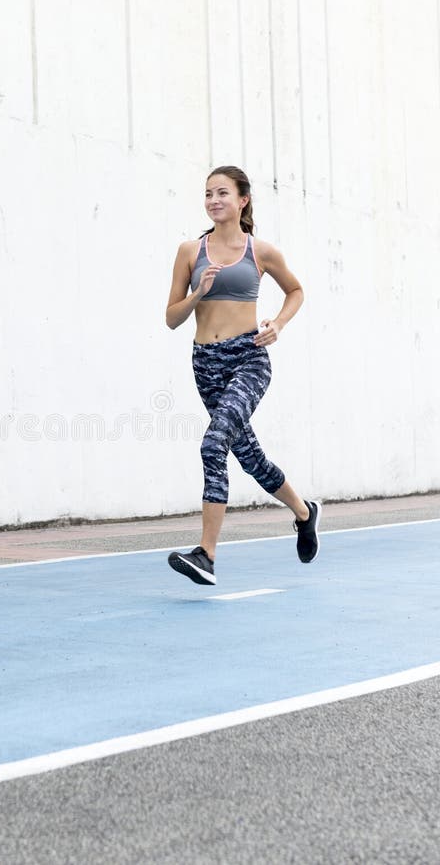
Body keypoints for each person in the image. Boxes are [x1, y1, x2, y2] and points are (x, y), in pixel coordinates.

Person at [164, 165, 321, 586]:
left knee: (214, 444)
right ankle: (304, 512)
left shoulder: (261, 252)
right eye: (208, 194)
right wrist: (197, 293)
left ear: (242, 200)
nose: (214, 200)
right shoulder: (189, 251)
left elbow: (296, 290)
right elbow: (171, 318)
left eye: (222, 193)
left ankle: (207, 554)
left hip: (248, 358)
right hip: (206, 363)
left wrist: (278, 324)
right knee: (249, 458)